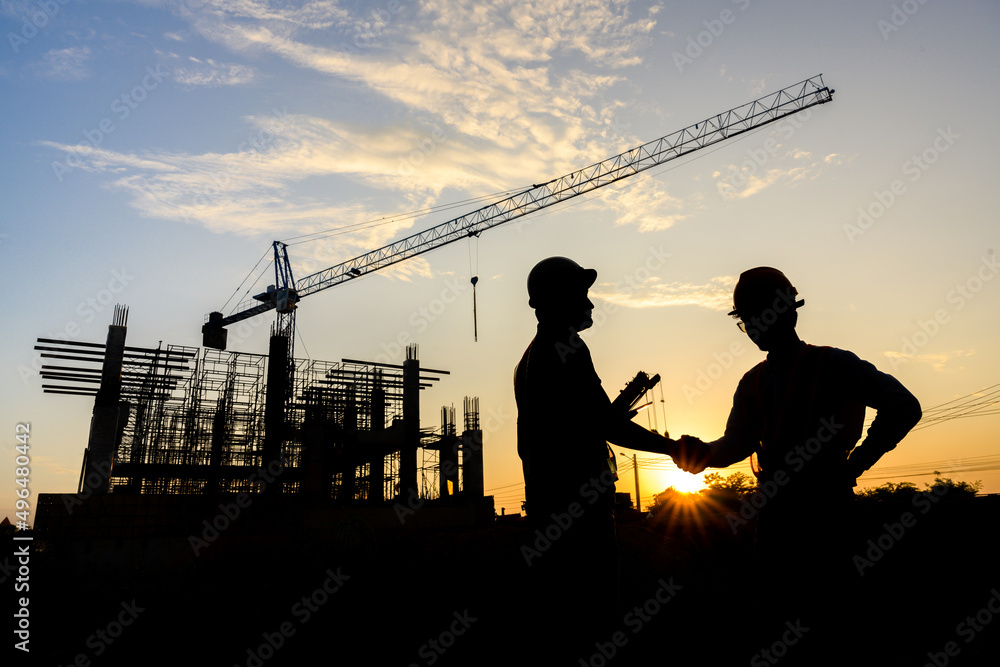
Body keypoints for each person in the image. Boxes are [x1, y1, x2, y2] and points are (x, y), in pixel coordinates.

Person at [676, 266, 922, 660]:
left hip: (825, 508)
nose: (753, 328)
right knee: (778, 614)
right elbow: (737, 442)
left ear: (785, 313)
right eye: (747, 321)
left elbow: (904, 407)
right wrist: (704, 454)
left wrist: (855, 465)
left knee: (828, 616)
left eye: (756, 317)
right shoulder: (752, 382)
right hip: (775, 512)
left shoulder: (836, 365)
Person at [513, 256, 681, 663]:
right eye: (579, 293)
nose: (587, 302)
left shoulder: (529, 358)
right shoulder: (567, 344)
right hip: (578, 505)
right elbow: (607, 424)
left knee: (561, 615)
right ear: (554, 299)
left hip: (547, 502)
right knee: (595, 612)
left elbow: (575, 422)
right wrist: (674, 449)